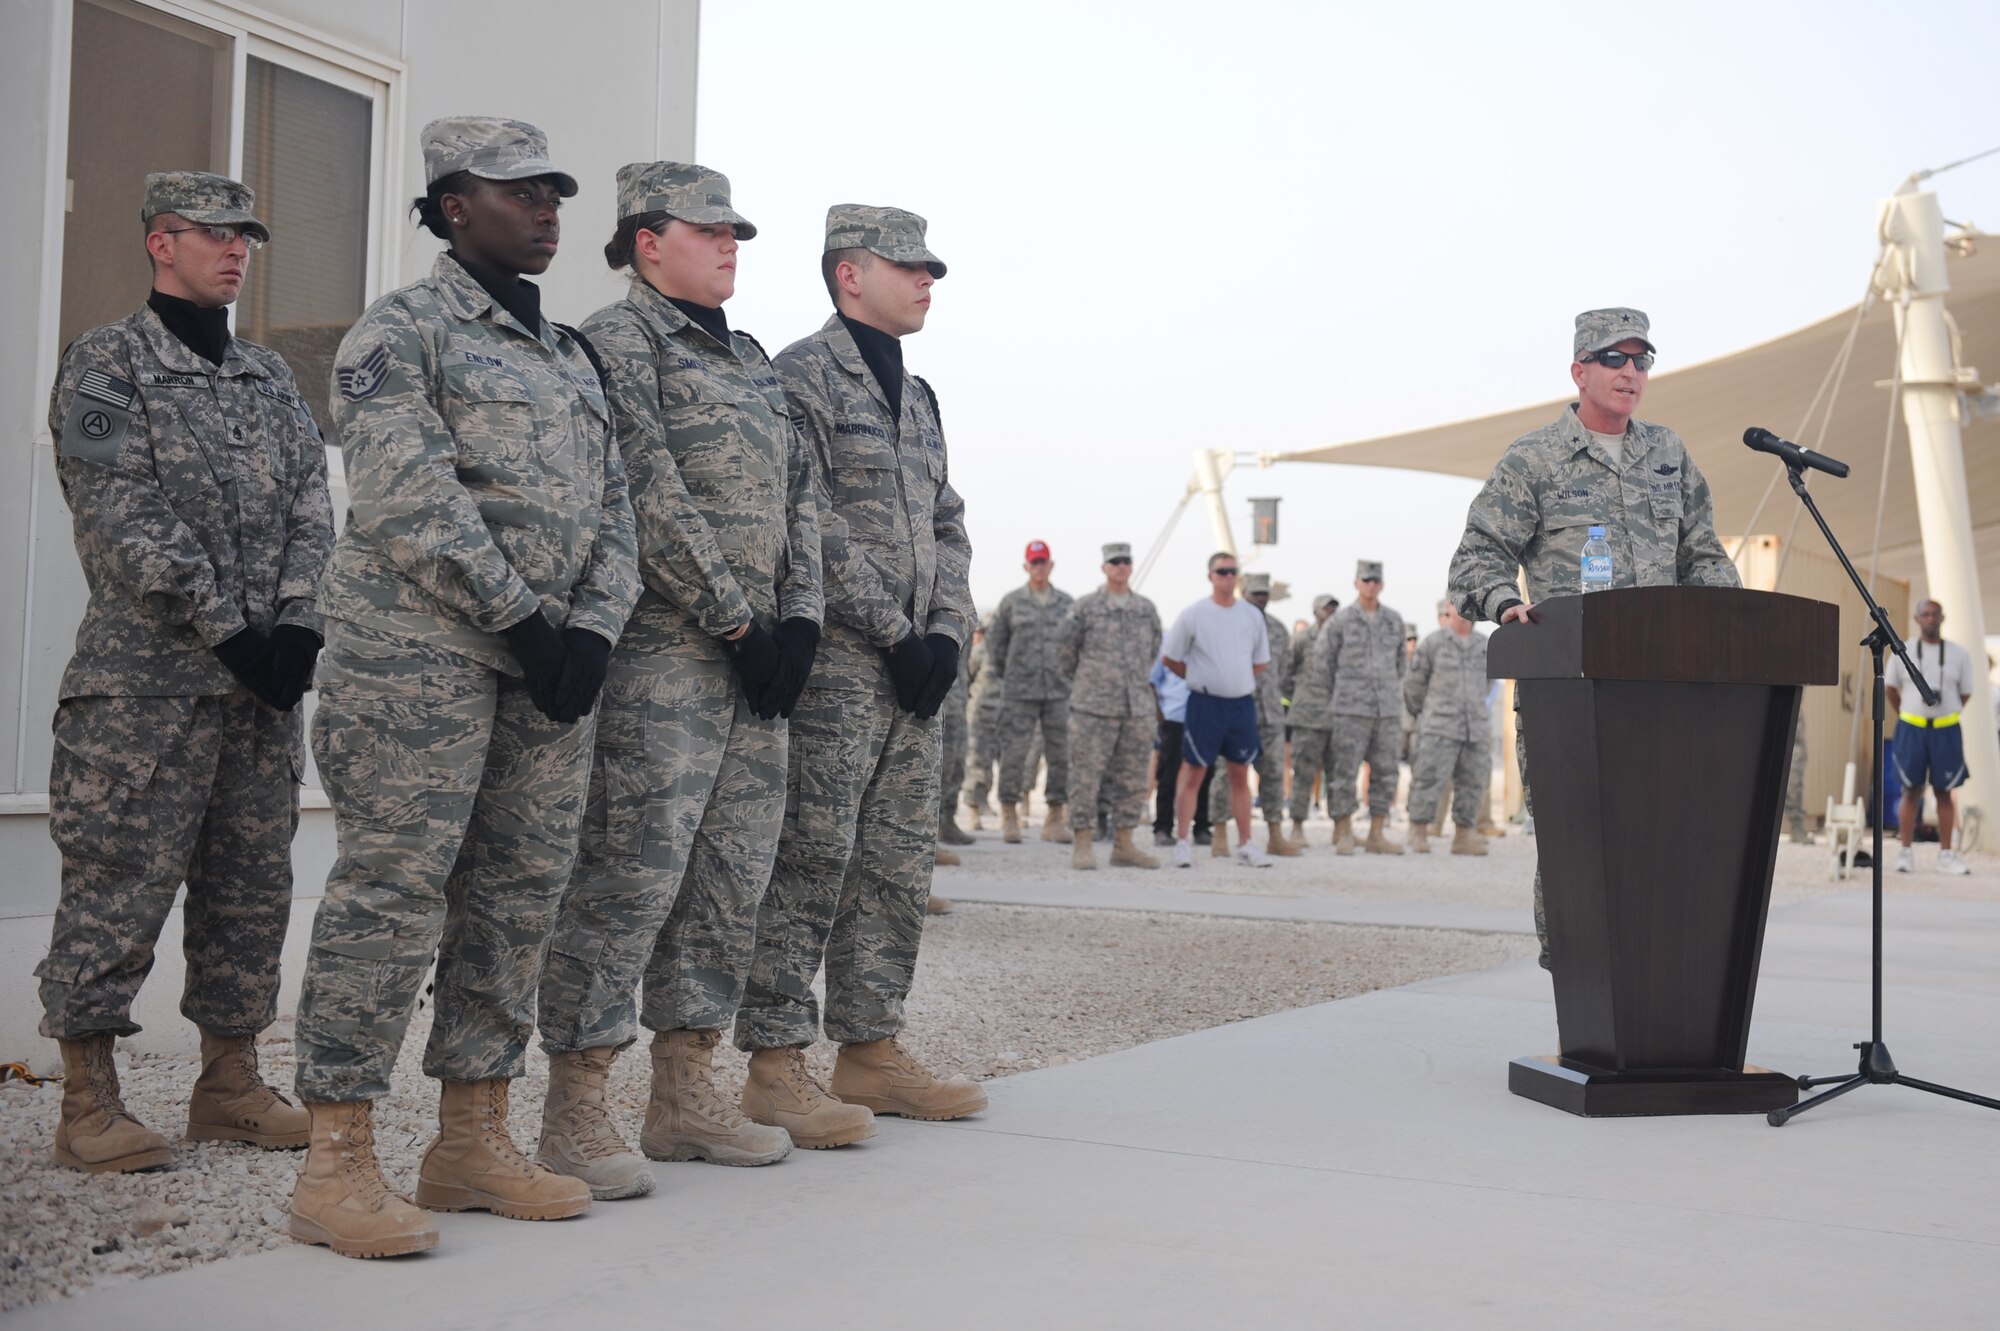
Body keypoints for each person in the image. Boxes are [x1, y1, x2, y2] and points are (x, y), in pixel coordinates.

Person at [289, 117, 640, 1258]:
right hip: (420, 655)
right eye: (517, 192)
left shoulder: (572, 354)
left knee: (517, 893)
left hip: (544, 670)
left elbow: (615, 510)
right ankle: (334, 1160)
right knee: (393, 891)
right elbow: (406, 494)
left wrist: (586, 629)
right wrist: (522, 618)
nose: (544, 209)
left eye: (552, 191)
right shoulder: (402, 329)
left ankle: (470, 1138)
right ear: (452, 208)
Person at [37, 171, 334, 1175]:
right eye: (213, 234)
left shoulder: (269, 377)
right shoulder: (106, 366)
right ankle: (88, 1100)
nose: (235, 251)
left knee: (250, 890)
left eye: (245, 235)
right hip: (144, 692)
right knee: (117, 887)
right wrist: (225, 624)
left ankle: (230, 1082)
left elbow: (310, 503)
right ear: (161, 241)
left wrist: (296, 625)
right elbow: (115, 509)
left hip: (260, 693)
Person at [531, 161, 817, 1199]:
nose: (730, 244)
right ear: (648, 241)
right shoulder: (617, 343)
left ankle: (686, 1092)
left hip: (757, 669)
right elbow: (643, 488)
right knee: (629, 876)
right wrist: (737, 620)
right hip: (666, 660)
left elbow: (800, 502)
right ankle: (574, 1104)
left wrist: (798, 621)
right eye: (709, 231)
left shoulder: (748, 358)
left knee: (728, 876)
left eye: (736, 230)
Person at [735, 202, 985, 1138]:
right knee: (810, 860)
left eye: (929, 269)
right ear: (849, 272)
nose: (926, 281)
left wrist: (948, 633)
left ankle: (871, 1049)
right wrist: (893, 632)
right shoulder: (800, 377)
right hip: (841, 667)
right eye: (908, 266)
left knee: (893, 865)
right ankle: (774, 1062)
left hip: (915, 675)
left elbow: (949, 520)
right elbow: (807, 520)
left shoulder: (916, 397)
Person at [1448, 306, 1739, 968]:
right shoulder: (1534, 459)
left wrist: (1736, 619)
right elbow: (1474, 561)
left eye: (1642, 360)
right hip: (1570, 690)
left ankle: (1660, 990)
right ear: (1580, 370)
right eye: (1615, 358)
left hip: (1665, 691)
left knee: (1666, 840)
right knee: (1577, 843)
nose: (1630, 372)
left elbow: (1704, 555)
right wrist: (1505, 603)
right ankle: (1582, 999)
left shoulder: (1668, 454)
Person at [1161, 552, 1273, 869]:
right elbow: (1170, 657)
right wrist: (1198, 676)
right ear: (1209, 575)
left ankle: (1246, 843)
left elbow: (1261, 661)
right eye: (1221, 571)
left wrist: (1233, 677)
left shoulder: (1250, 616)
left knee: (1240, 773)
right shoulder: (1194, 613)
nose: (1227, 576)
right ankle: (1182, 841)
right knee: (1194, 771)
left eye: (1232, 571)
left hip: (1240, 704)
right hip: (1205, 703)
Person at [1056, 543, 1164, 870]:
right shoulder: (1085, 607)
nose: (1120, 566)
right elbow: (1064, 651)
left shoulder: (1145, 609)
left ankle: (1124, 844)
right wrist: (1091, 681)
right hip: (1093, 707)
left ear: (1131, 567)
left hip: (1136, 707)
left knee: (1132, 779)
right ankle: (1083, 842)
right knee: (1085, 777)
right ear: (1104, 568)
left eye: (1125, 561)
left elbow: (1153, 649)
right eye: (1114, 562)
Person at [1310, 560, 1408, 855]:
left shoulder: (1393, 620)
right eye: (1365, 580)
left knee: (1386, 771)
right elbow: (1322, 662)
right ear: (1356, 583)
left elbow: (1401, 663)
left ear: (1382, 585)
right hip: (1350, 709)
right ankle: (1343, 831)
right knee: (1343, 771)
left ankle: (1377, 832)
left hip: (1386, 710)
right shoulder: (1340, 621)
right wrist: (1342, 692)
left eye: (1375, 581)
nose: (1371, 586)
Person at [988, 540, 1075, 843]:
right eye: (1034, 562)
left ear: (1051, 565)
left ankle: (1054, 817)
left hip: (1058, 692)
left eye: (1043, 562)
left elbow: (1074, 646)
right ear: (1026, 567)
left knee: (1061, 755)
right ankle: (1009, 814)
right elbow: (995, 646)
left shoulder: (1066, 604)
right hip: (1019, 692)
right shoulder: (1011, 602)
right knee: (1014, 753)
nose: (1039, 568)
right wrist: (1010, 676)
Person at [1207, 573, 1299, 857]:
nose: (1260, 598)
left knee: (1271, 775)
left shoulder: (1278, 630)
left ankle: (1274, 834)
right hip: (1235, 710)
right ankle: (1220, 834)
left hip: (1270, 714)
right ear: (1244, 592)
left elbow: (1283, 670)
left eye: (1264, 594)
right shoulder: (1227, 622)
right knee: (1225, 775)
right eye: (1255, 593)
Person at [1887, 599, 1976, 876]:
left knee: (1944, 792)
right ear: (1916, 618)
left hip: (1945, 730)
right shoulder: (1904, 651)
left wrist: (1945, 711)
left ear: (1942, 618)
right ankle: (1905, 852)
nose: (1930, 619)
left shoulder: (1958, 654)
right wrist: (1908, 711)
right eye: (1925, 614)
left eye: (1935, 614)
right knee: (1910, 790)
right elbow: (1891, 688)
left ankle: (1946, 854)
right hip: (1912, 728)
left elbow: (1965, 692)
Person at [1405, 600, 1491, 855]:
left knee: (1472, 782)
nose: (1464, 611)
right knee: (1428, 780)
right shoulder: (1433, 643)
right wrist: (1431, 712)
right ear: (1448, 609)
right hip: (1440, 727)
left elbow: (1487, 684)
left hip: (1474, 727)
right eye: (1458, 604)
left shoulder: (1483, 646)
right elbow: (1414, 687)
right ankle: (1418, 831)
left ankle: (1463, 836)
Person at [1285, 593, 1339, 840]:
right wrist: (1300, 698)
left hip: (1339, 717)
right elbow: (1286, 673)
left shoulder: (1343, 639)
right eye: (1325, 608)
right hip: (1307, 717)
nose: (1330, 612)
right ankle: (1297, 826)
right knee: (1303, 773)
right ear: (1315, 611)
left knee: (1340, 776)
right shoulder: (1303, 639)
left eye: (1333, 608)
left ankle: (1342, 828)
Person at [1150, 656, 1214, 847]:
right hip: (1175, 717)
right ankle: (1163, 828)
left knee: (1205, 773)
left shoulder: (1210, 644)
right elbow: (1152, 681)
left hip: (1205, 717)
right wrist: (1159, 712)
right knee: (1168, 774)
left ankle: (1202, 827)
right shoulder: (1170, 646)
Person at [963, 624, 998, 827]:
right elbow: (966, 678)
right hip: (981, 715)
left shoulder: (1011, 653)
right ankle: (972, 809)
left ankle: (985, 801)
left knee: (999, 766)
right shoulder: (980, 652)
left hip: (1007, 716)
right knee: (977, 762)